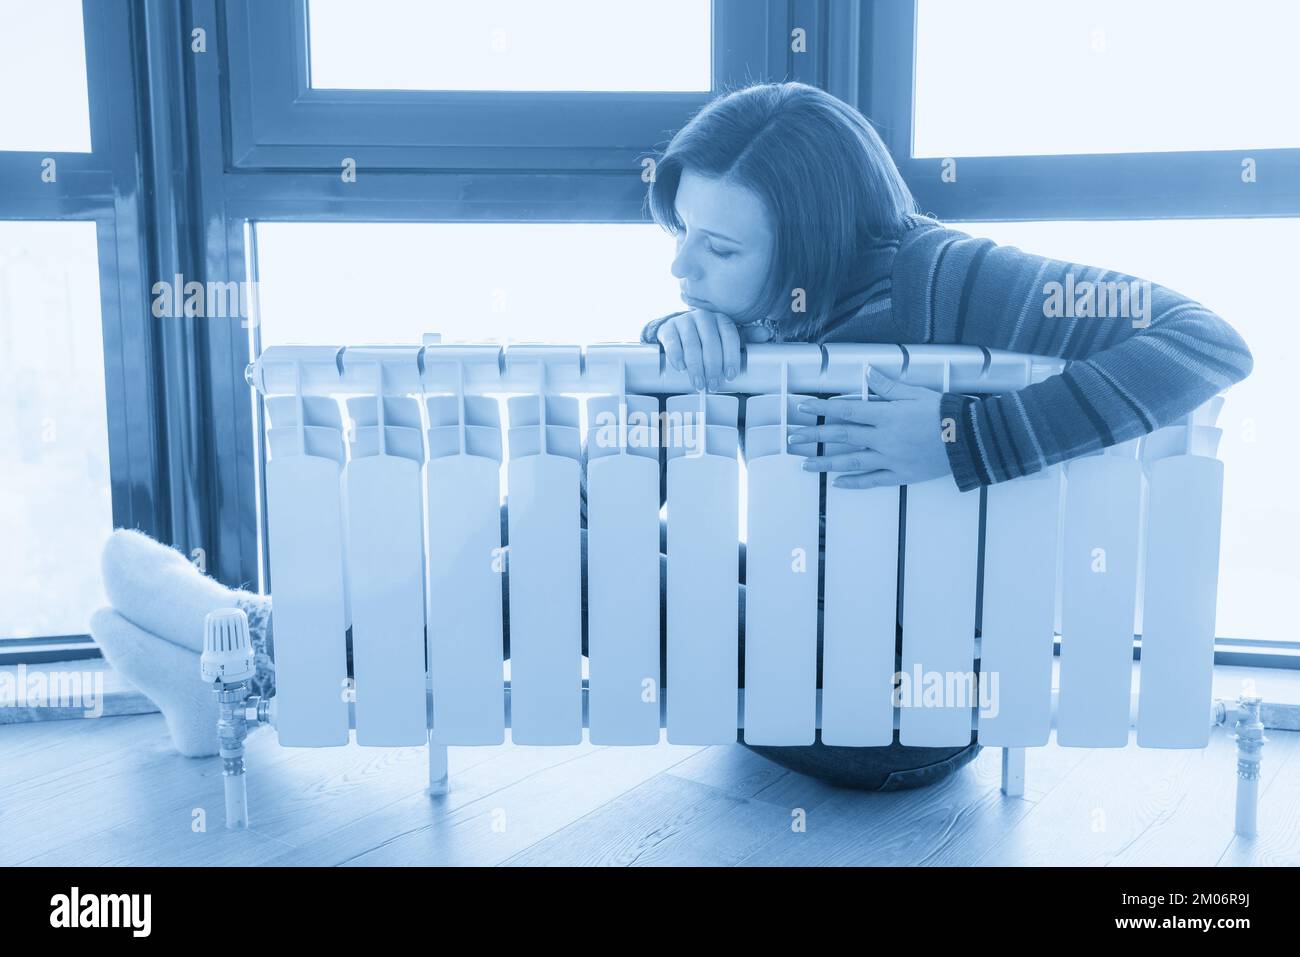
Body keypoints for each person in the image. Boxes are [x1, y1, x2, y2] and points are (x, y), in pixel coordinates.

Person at [91, 81, 1253, 792]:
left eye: (718, 249)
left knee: (584, 568)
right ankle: (245, 664)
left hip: (897, 719)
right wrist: (666, 362)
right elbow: (589, 501)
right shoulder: (754, 315)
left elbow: (1208, 343)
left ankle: (253, 653)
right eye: (680, 236)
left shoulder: (965, 281)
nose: (681, 265)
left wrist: (964, 438)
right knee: (563, 540)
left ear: (812, 239)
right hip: (807, 647)